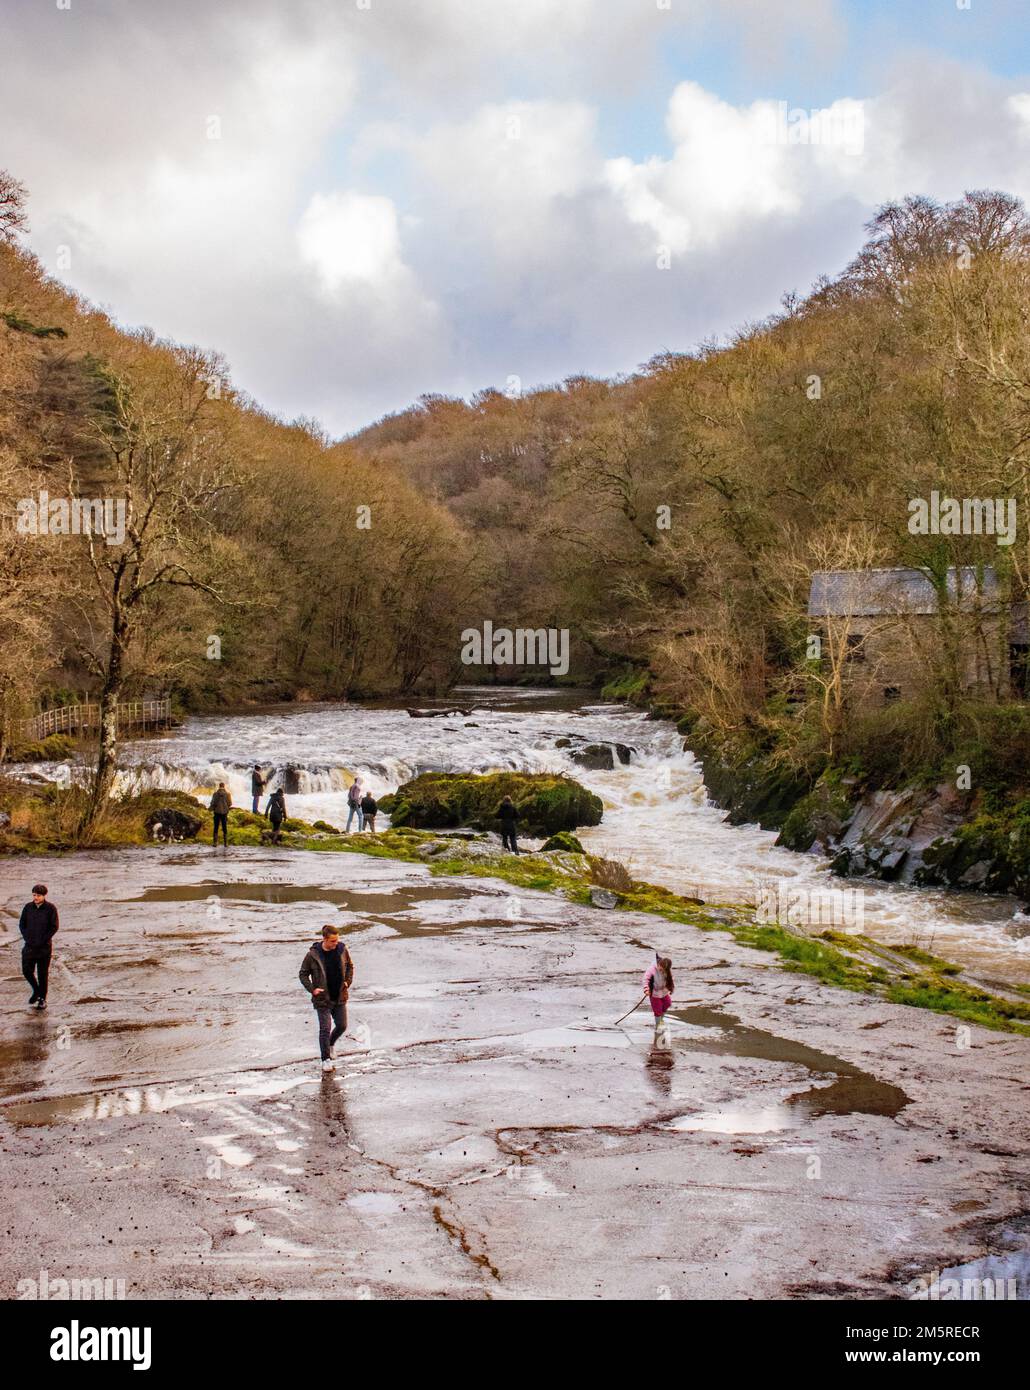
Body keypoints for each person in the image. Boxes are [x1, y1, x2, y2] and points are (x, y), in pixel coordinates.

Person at [299, 924, 355, 1073]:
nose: (336, 943)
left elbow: (350, 966)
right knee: (325, 1028)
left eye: (337, 940)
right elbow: (303, 974)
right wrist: (312, 989)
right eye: (333, 941)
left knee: (342, 1026)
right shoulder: (313, 955)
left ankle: (330, 1045)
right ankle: (325, 1060)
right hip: (322, 998)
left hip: (340, 996)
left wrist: (347, 982)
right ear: (324, 939)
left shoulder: (342, 949)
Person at [20, 883, 59, 1011]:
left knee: (42, 974)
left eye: (38, 895)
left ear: (44, 896)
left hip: (44, 948)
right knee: (26, 970)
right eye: (34, 895)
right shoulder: (28, 907)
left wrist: (43, 940)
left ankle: (42, 999)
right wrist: (27, 938)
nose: (35, 897)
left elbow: (54, 927)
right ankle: (36, 991)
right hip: (29, 946)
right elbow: (22, 924)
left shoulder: (50, 908)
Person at [644, 952, 675, 1045]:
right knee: (657, 1010)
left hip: (664, 991)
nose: (661, 970)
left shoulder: (667, 971)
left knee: (668, 1003)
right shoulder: (652, 969)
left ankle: (661, 1020)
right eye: (661, 968)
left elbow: (671, 979)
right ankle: (658, 1026)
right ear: (659, 964)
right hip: (654, 992)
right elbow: (645, 979)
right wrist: (646, 989)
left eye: (664, 970)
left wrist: (671, 988)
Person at [209, 782, 231, 847]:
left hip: (216, 812)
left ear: (219, 786)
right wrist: (226, 808)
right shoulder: (228, 794)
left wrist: (211, 809)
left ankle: (215, 843)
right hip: (224, 813)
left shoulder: (215, 794)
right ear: (224, 786)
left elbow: (212, 803)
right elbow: (230, 803)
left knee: (216, 827)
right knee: (225, 827)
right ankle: (226, 843)